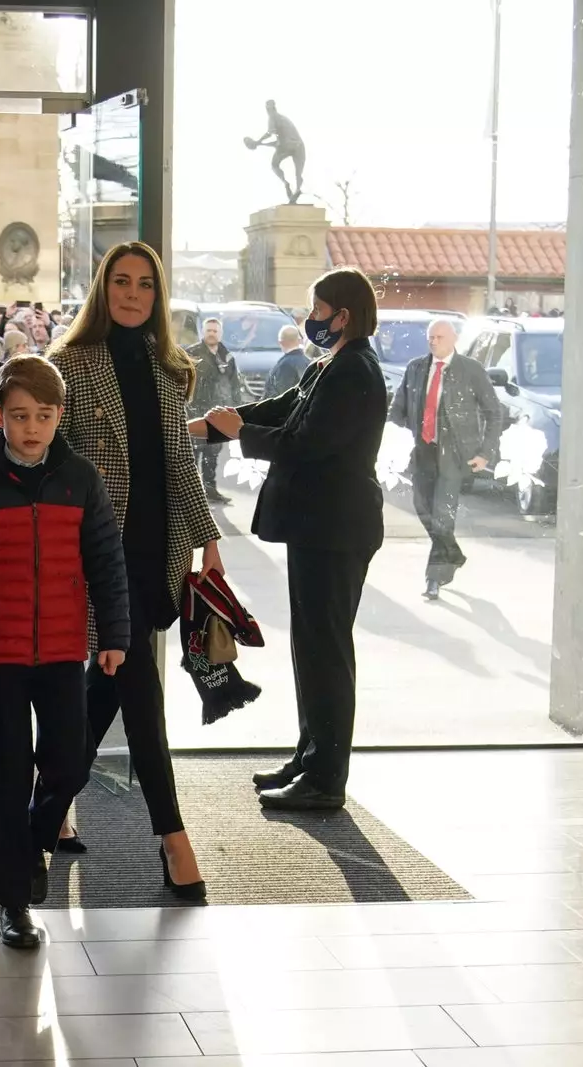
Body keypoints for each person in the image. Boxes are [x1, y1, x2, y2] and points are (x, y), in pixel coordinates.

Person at [0, 355, 129, 946]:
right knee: (3, 777)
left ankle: (35, 837)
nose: (32, 427)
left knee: (69, 762)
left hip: (64, 653)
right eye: (19, 416)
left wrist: (113, 636)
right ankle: (13, 902)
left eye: (43, 415)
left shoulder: (82, 481)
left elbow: (106, 564)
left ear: (59, 416)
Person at [49, 241, 222, 901]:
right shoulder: (68, 365)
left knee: (109, 681)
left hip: (156, 546)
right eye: (120, 282)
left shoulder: (169, 367)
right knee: (138, 686)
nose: (131, 294)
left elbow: (180, 463)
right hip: (97, 550)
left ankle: (53, 793)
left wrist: (208, 539)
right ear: (103, 288)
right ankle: (173, 836)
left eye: (144, 285)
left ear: (157, 295)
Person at [196, 267, 387, 811]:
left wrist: (238, 433)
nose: (311, 319)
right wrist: (206, 426)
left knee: (326, 652)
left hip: (336, 529)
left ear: (342, 315)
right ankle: (309, 756)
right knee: (311, 647)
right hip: (318, 528)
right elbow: (276, 412)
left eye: (317, 309)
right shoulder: (329, 365)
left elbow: (305, 444)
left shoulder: (355, 371)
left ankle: (325, 778)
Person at [388, 318, 503, 601]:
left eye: (439, 337)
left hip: (454, 453)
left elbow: (494, 412)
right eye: (430, 337)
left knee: (443, 513)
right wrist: (392, 444)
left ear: (453, 340)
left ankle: (434, 578)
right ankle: (453, 553)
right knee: (422, 506)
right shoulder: (416, 368)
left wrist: (485, 453)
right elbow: (397, 409)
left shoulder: (471, 370)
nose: (433, 341)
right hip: (422, 451)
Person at [184, 317, 243, 504]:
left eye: (215, 331)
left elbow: (234, 384)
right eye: (208, 330)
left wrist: (236, 408)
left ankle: (210, 490)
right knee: (192, 455)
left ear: (220, 334)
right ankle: (189, 495)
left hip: (217, 413)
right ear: (203, 332)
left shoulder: (227, 356)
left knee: (213, 455)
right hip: (194, 411)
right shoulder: (191, 353)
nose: (211, 334)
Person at [267, 324, 311, 397]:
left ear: (281, 342)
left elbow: (283, 395)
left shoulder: (285, 365)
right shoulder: (308, 362)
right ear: (299, 340)